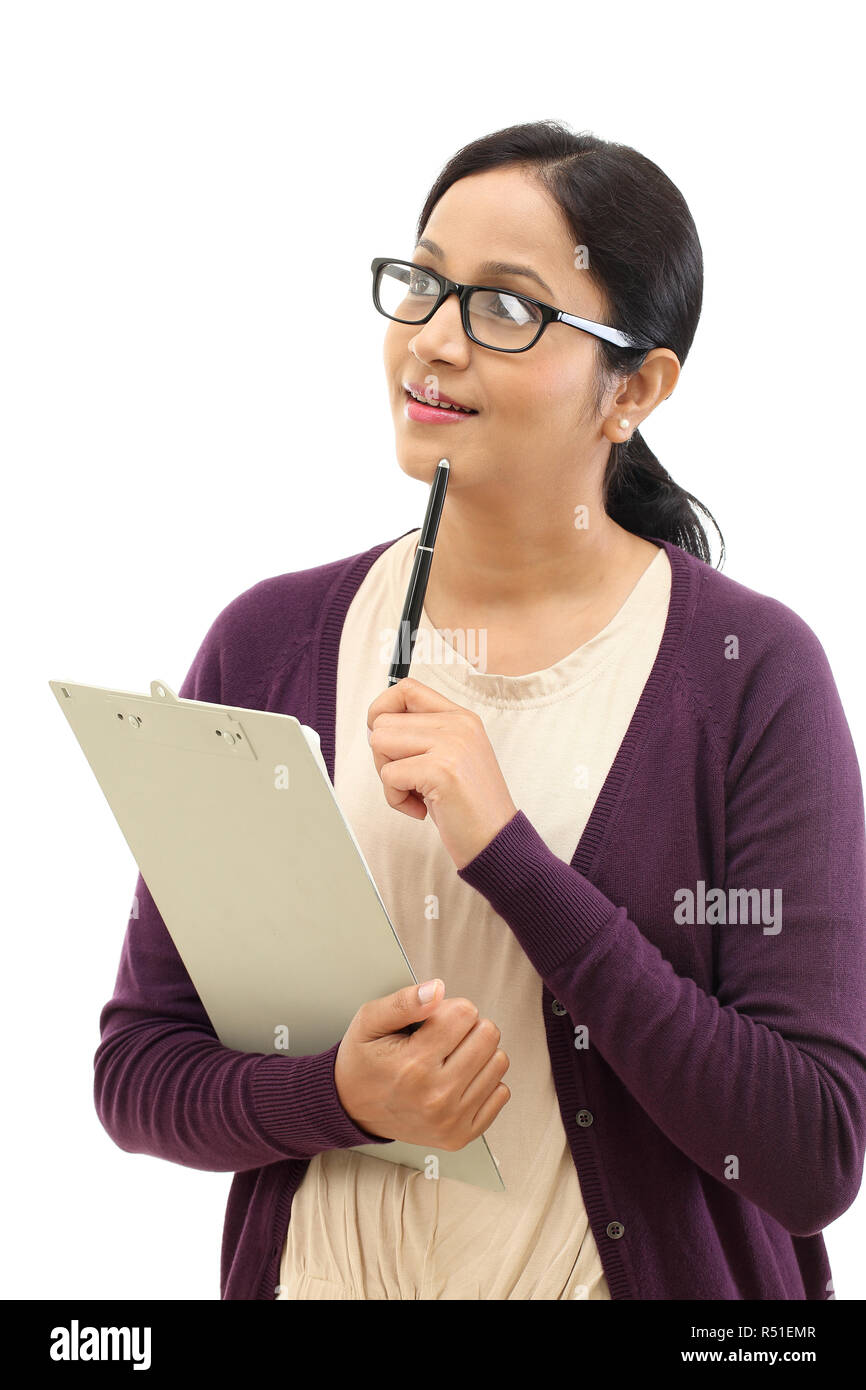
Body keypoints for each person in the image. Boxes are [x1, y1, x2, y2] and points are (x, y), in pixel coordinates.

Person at [95, 119, 866, 1301]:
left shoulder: (748, 673)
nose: (433, 342)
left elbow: (809, 1151)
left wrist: (511, 856)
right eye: (421, 284)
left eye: (506, 307)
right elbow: (139, 1069)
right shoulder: (266, 642)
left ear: (636, 386)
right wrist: (338, 1096)